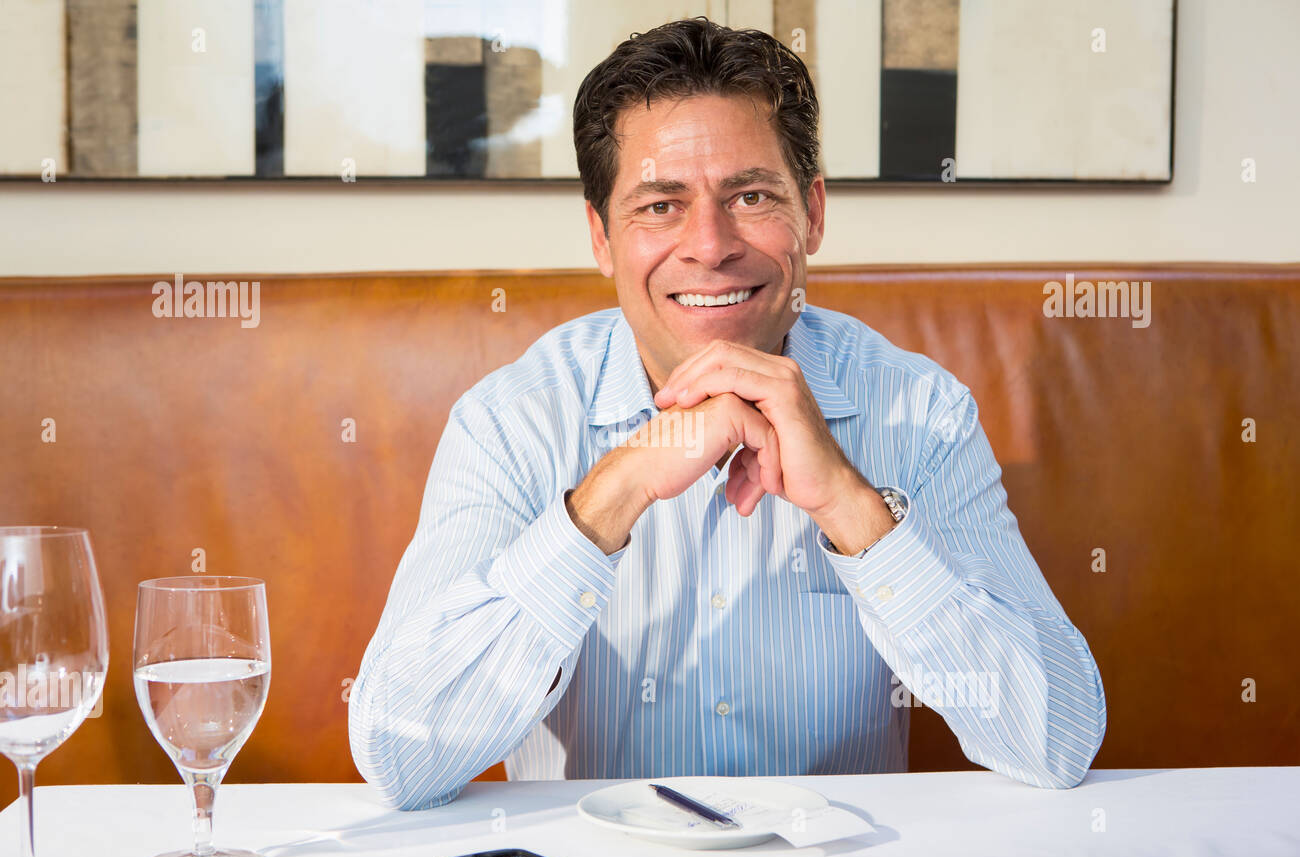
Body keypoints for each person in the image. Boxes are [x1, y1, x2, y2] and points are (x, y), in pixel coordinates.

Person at [348, 17, 1106, 810]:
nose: (710, 247)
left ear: (811, 213)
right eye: (660, 206)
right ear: (602, 237)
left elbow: (1055, 741)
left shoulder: (922, 414)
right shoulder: (510, 424)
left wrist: (854, 509)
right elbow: (403, 756)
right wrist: (610, 497)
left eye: (751, 196)